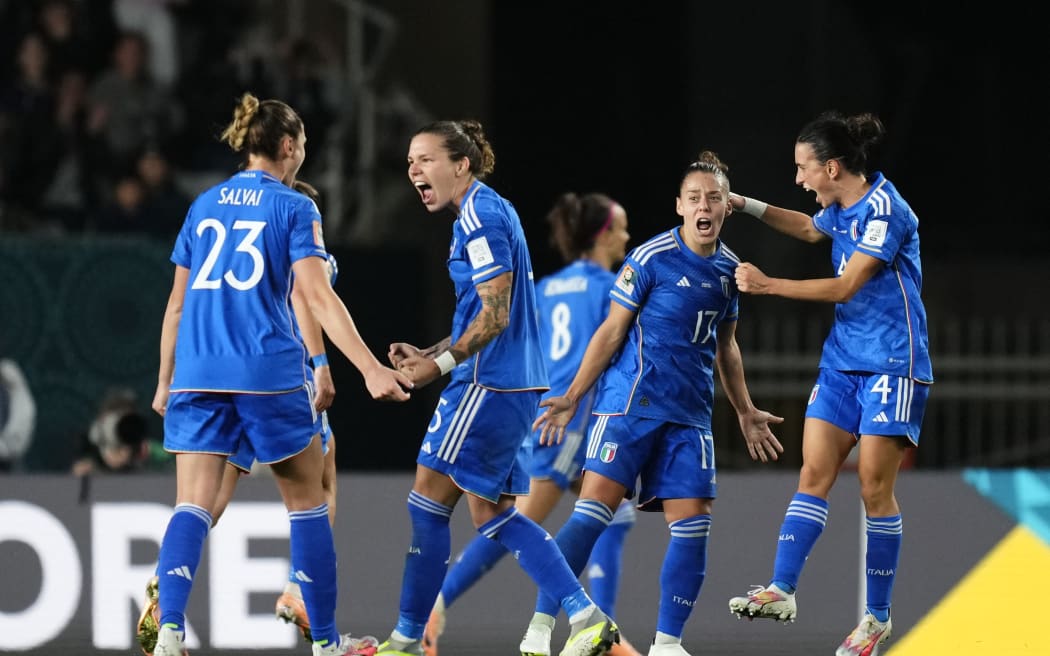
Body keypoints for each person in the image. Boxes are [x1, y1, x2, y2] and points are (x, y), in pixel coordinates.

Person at [149, 92, 412, 656]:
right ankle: (326, 643)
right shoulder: (294, 208)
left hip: (198, 372)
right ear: (288, 146)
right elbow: (313, 295)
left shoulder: (203, 205)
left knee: (192, 504)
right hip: (266, 372)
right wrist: (367, 367)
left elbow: (175, 305)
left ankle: (169, 630)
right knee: (309, 502)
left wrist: (165, 380)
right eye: (304, 146)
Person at [526, 151, 785, 656]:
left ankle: (667, 643)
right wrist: (572, 397)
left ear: (726, 207)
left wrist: (745, 410)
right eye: (694, 198)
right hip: (629, 407)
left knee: (694, 527)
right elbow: (611, 331)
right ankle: (540, 625)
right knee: (591, 514)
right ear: (679, 206)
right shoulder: (650, 258)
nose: (704, 206)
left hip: (688, 417)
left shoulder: (730, 272)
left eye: (713, 198)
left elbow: (726, 346)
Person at [381, 120, 620, 656]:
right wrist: (431, 352)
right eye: (410, 161)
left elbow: (495, 315)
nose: (414, 169)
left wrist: (438, 367)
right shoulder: (485, 210)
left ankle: (407, 639)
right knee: (492, 515)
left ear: (461, 164)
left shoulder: (480, 216)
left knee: (427, 502)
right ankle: (585, 615)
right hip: (512, 384)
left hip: (487, 383)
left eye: (425, 158)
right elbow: (484, 313)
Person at [726, 111, 933, 656]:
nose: (798, 179)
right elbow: (807, 228)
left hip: (893, 362)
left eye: (804, 168)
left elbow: (845, 287)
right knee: (813, 471)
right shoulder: (839, 209)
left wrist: (768, 285)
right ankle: (782, 590)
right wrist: (742, 204)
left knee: (872, 488)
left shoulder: (886, 211)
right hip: (842, 362)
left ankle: (877, 619)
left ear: (833, 168)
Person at [422, 191, 642, 656]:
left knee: (611, 513)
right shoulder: (610, 288)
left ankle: (606, 636)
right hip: (570, 419)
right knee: (516, 522)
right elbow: (610, 351)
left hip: (536, 405)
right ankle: (436, 607)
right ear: (604, 234)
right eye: (621, 226)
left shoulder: (548, 287)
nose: (626, 235)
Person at [134, 180, 344, 655]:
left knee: (204, 500)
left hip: (217, 375)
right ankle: (301, 596)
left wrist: (165, 379)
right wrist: (321, 363)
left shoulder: (216, 220)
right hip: (278, 377)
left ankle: (167, 592)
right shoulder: (300, 236)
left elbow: (178, 305)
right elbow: (304, 300)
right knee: (319, 484)